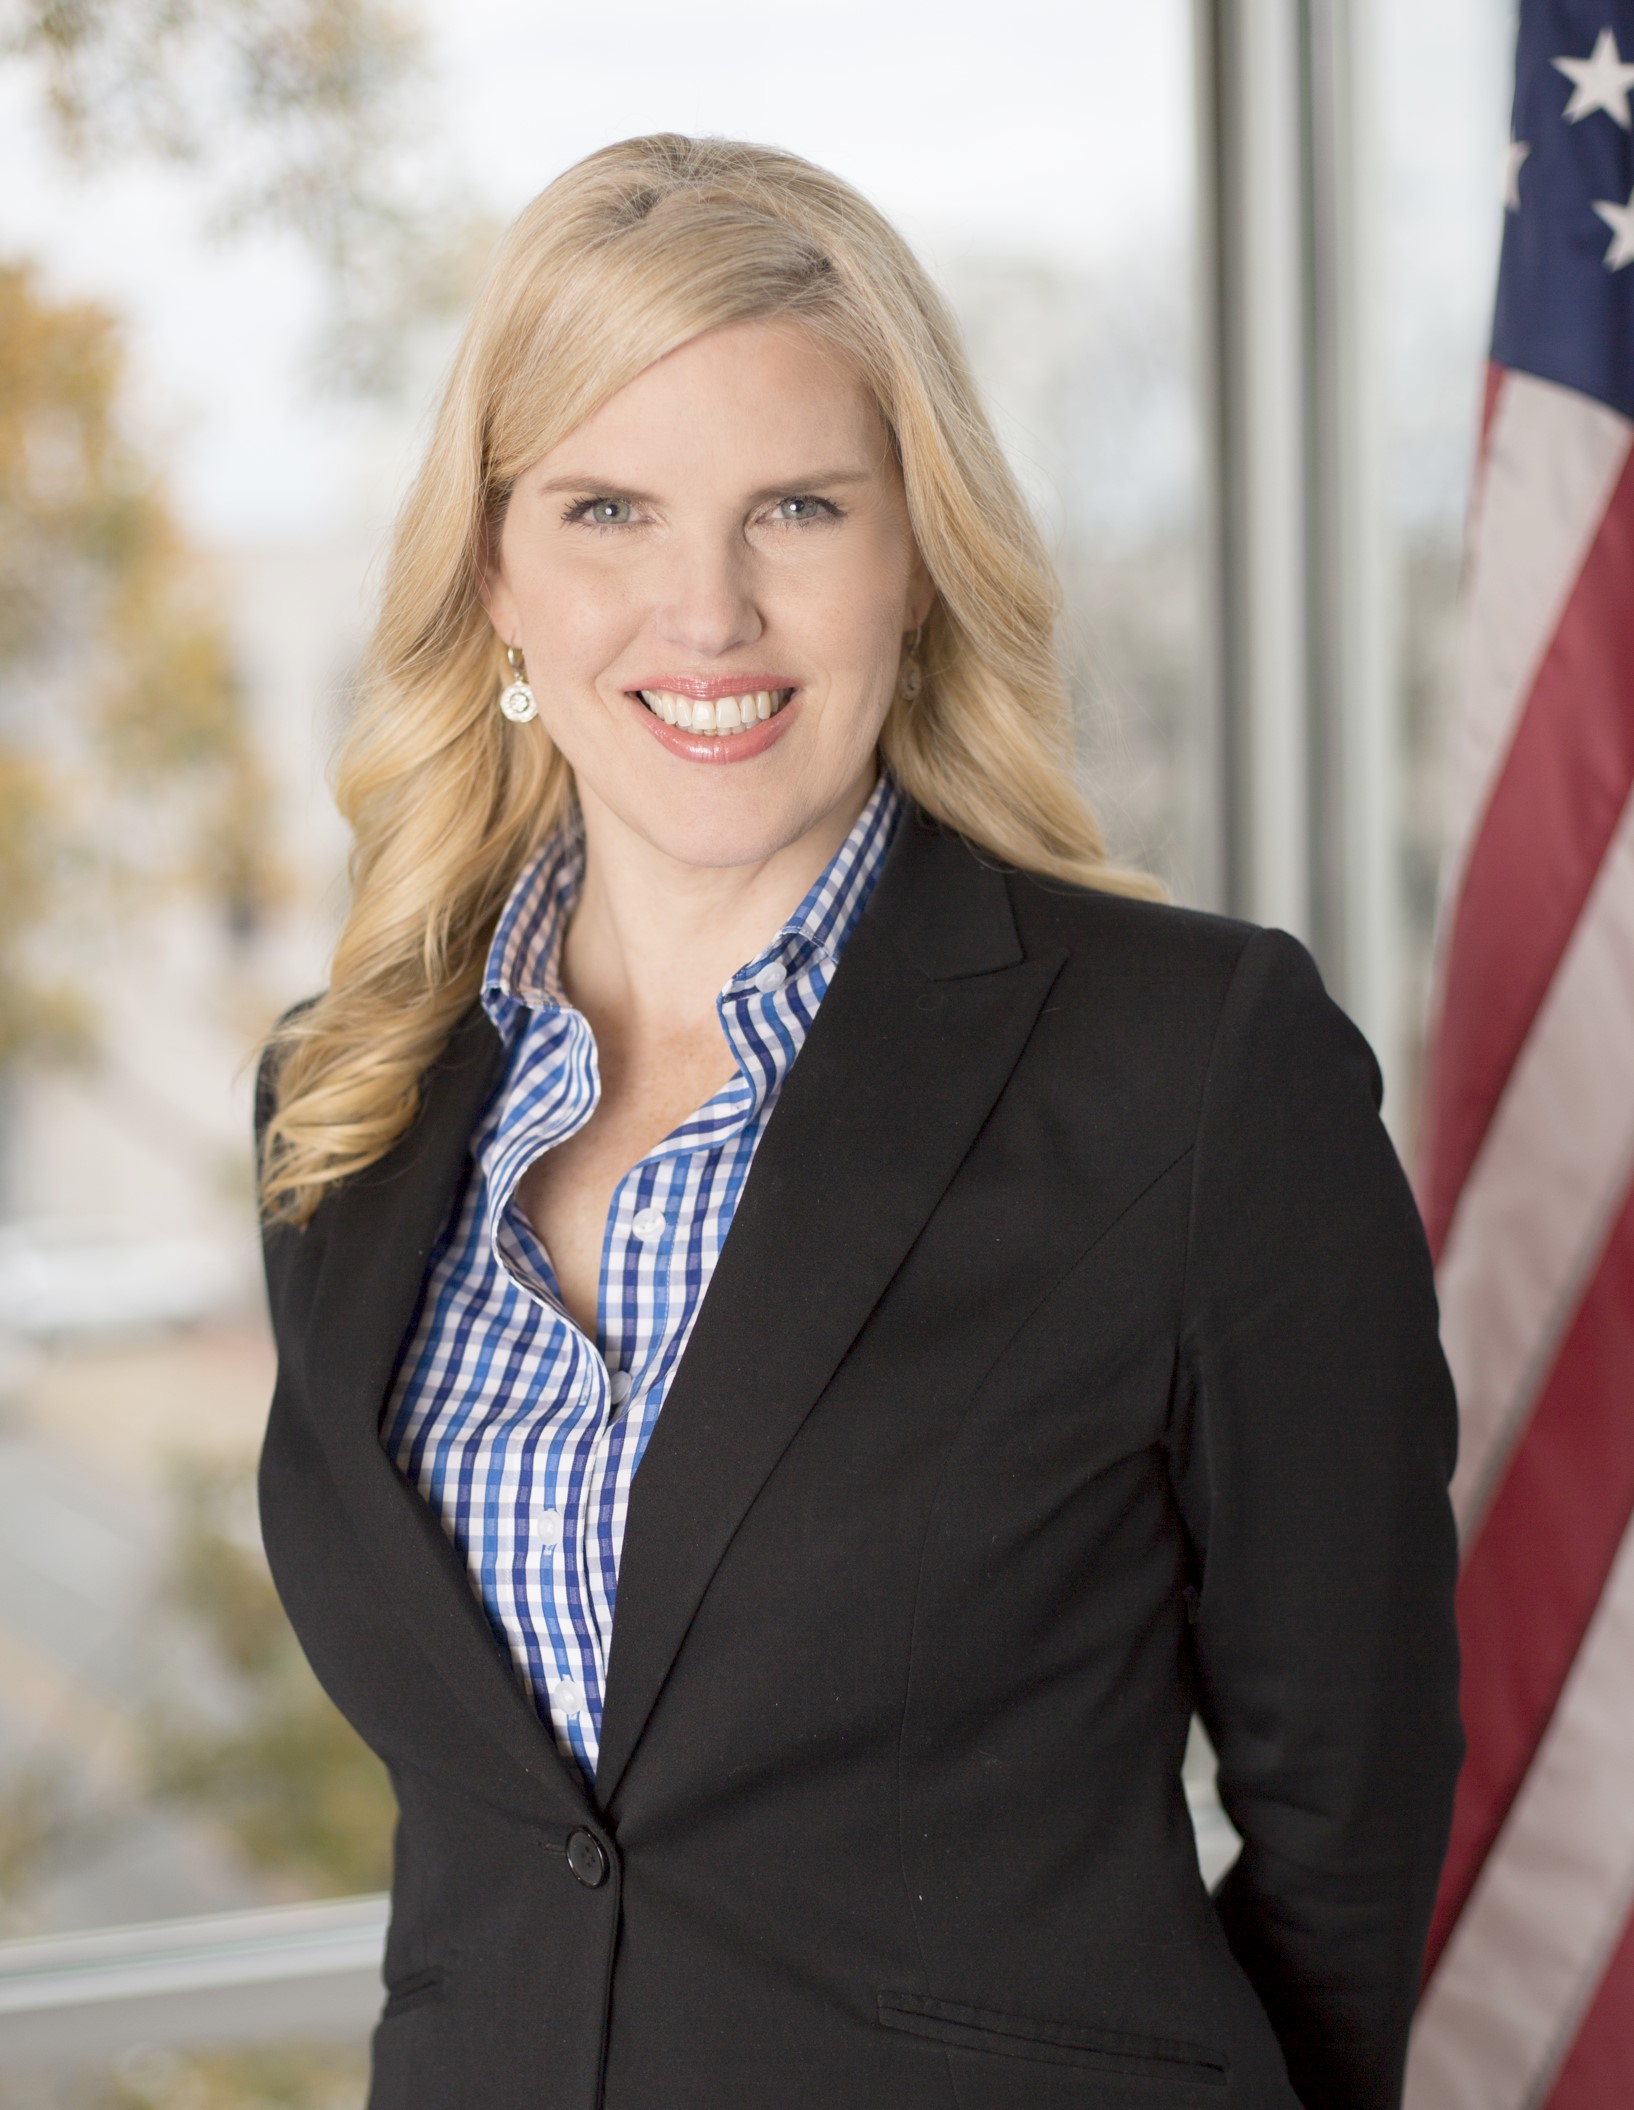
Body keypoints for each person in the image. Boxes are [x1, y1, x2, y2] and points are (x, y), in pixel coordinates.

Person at [254, 134, 1462, 2110]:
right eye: (608, 507)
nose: (704, 609)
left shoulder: (1195, 1064)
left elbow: (1353, 1794)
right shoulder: (347, 1099)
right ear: (494, 574)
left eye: (797, 507)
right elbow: (504, 1854)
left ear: (915, 562)